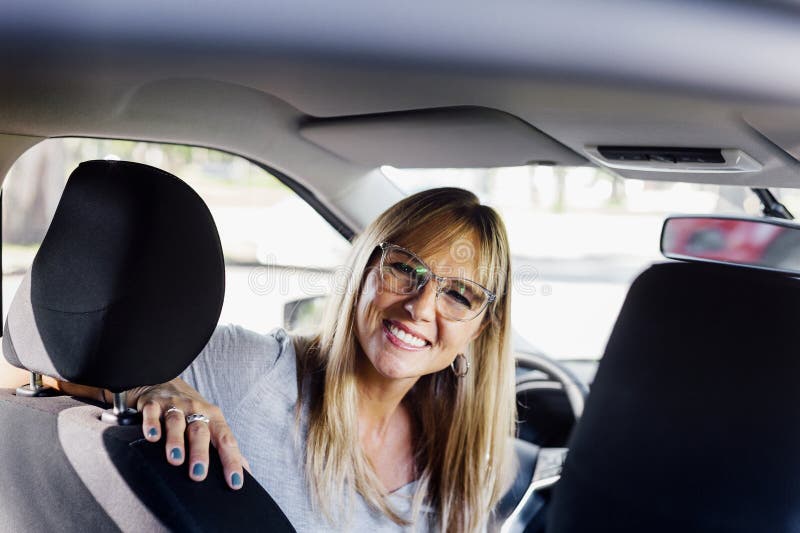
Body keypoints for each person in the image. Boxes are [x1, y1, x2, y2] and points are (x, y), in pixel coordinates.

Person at [7, 187, 517, 531]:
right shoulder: (255, 369)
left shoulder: (469, 462)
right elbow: (28, 362)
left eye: (460, 295)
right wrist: (145, 386)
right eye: (404, 269)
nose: (420, 307)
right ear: (362, 270)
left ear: (481, 328)